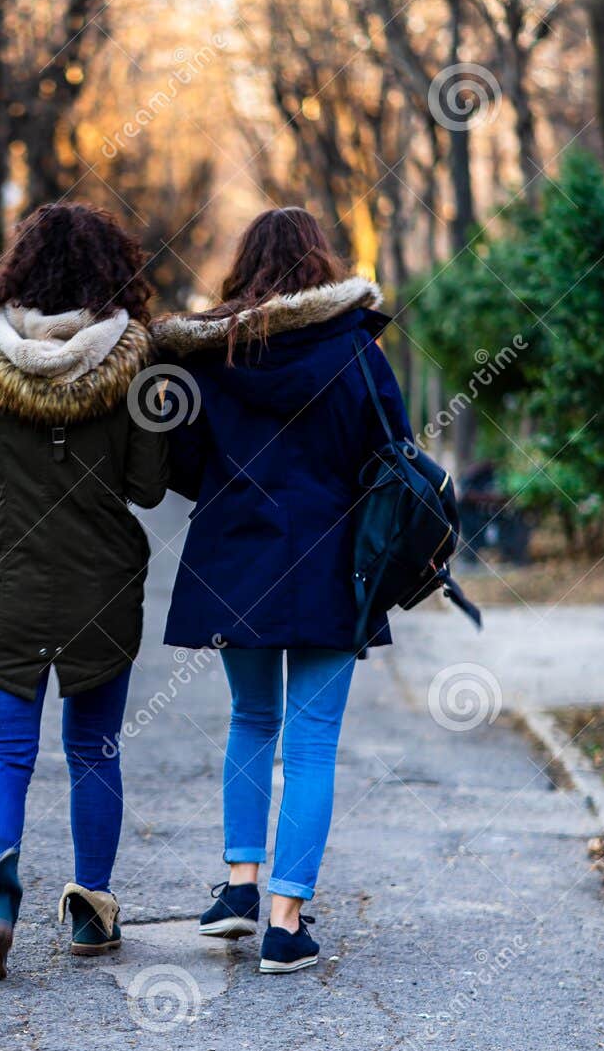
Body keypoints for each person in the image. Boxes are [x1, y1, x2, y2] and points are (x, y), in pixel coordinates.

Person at [152, 206, 414, 975]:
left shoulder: (213, 356)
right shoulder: (358, 350)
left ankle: (238, 884)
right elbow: (393, 453)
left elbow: (181, 462)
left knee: (250, 717)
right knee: (311, 741)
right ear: (319, 263)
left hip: (238, 560)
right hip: (336, 564)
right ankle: (286, 921)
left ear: (245, 266)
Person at [0, 202, 168, 981]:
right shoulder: (136, 360)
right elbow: (146, 485)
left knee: (4, 753)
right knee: (93, 751)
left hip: (6, 577)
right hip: (100, 583)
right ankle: (90, 909)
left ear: (20, 267)